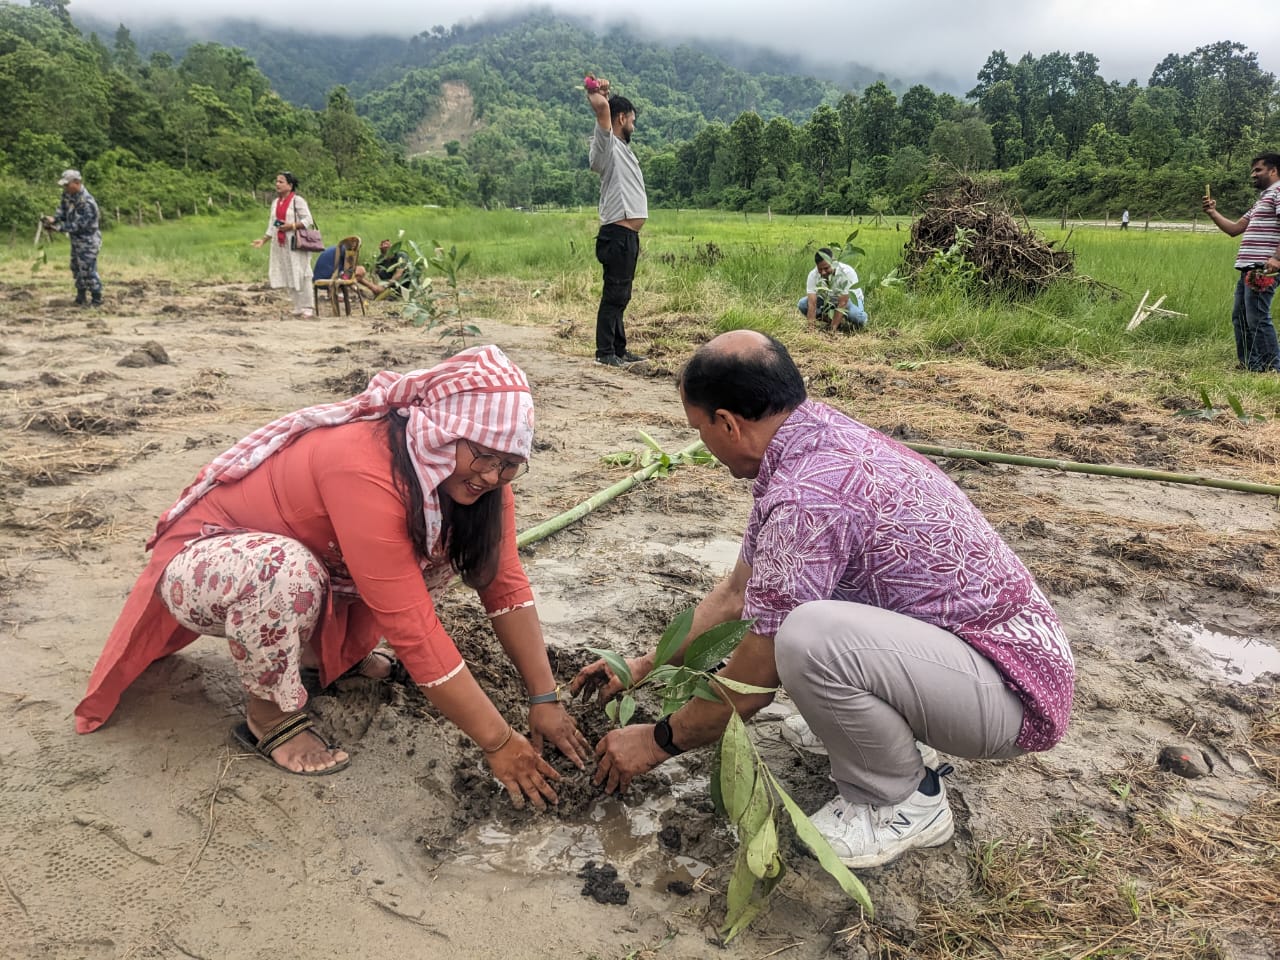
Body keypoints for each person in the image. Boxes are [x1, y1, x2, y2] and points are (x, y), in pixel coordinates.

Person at [572, 331, 1075, 868]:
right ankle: (881, 745)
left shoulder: (808, 495)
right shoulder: (812, 438)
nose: (705, 444)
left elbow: (753, 679)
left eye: (700, 430)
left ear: (727, 423)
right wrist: (642, 667)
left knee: (805, 637)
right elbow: (737, 595)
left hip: (1010, 694)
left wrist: (657, 741)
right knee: (799, 622)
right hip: (976, 661)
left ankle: (901, 800)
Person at [75, 345, 590, 809]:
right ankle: (268, 716)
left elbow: (503, 584)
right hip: (213, 563)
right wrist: (499, 744)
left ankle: (325, 655)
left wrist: (544, 699)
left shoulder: (477, 481)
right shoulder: (364, 465)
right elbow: (411, 628)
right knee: (281, 573)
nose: (491, 475)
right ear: (442, 430)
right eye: (481, 454)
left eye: (510, 464)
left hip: (321, 568)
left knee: (444, 551)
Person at [586, 75, 648, 368]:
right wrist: (598, 94)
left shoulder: (623, 149)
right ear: (621, 117)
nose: (633, 126)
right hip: (617, 233)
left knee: (622, 295)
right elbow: (600, 110)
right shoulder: (607, 143)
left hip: (628, 236)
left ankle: (619, 349)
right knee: (614, 294)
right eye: (632, 120)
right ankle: (605, 352)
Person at [1203, 153, 1280, 373]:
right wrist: (1212, 212)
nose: (1253, 174)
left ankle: (1273, 368)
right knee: (1241, 317)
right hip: (1248, 268)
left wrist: (1277, 258)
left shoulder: (1278, 193)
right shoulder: (1261, 200)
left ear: (1273, 170)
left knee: (1257, 318)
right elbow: (1234, 229)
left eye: (1258, 170)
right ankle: (1250, 365)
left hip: (1264, 268)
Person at [251, 171, 316, 319]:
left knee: (302, 272)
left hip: (296, 242)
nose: (277, 184)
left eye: (281, 182)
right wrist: (263, 240)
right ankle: (297, 305)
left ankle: (308, 306)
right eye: (277, 181)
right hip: (281, 243)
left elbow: (308, 220)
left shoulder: (297, 201)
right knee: (288, 272)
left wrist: (291, 226)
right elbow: (273, 225)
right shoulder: (275, 202)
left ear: (290, 185)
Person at [41, 169, 103, 307]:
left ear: (77, 183)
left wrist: (58, 228)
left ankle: (96, 299)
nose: (65, 188)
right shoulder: (68, 194)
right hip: (76, 239)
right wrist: (53, 219)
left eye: (67, 185)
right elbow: (62, 209)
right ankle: (81, 297)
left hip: (88, 239)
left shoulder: (87, 202)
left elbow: (79, 225)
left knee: (88, 269)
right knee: (76, 267)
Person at [798, 248, 867, 333]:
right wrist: (810, 329)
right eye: (820, 269)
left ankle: (838, 324)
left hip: (850, 300)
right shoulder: (813, 275)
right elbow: (812, 303)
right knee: (802, 304)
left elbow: (842, 303)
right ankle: (836, 322)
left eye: (826, 268)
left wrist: (831, 331)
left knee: (856, 317)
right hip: (829, 300)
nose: (823, 272)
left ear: (833, 262)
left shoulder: (846, 273)